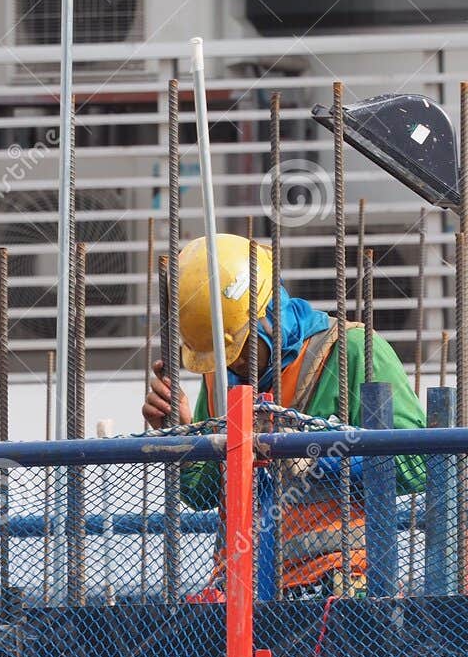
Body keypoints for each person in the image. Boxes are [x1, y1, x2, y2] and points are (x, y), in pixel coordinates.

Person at [142, 234, 425, 595]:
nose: (233, 365)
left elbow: (417, 464)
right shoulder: (219, 373)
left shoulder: (352, 351)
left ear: (270, 315)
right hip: (242, 592)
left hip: (340, 588)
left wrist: (326, 457)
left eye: (240, 350)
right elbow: (204, 494)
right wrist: (184, 441)